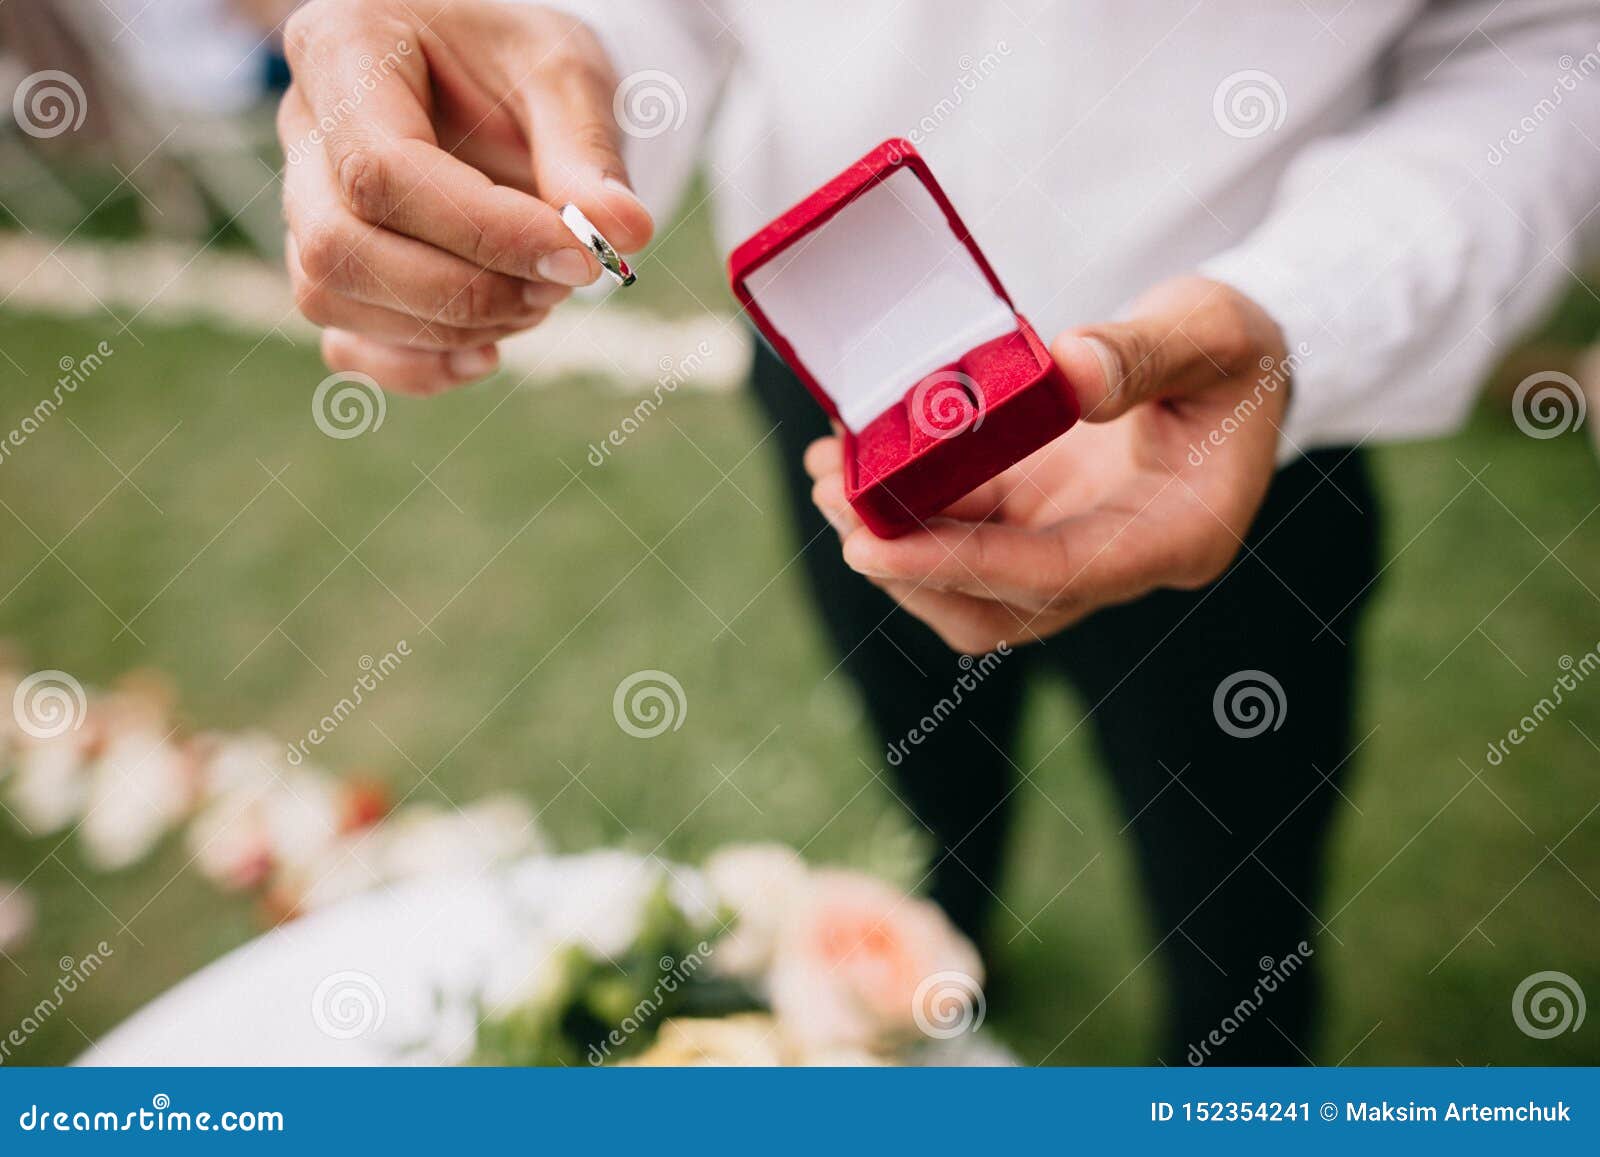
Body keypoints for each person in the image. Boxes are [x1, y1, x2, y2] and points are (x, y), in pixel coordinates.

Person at [273, 0, 1600, 1063]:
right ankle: (951, 941)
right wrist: (553, 59)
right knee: (931, 764)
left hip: (1236, 403)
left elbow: (1547, 46)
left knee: (1239, 905)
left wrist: (1307, 311)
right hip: (838, 381)